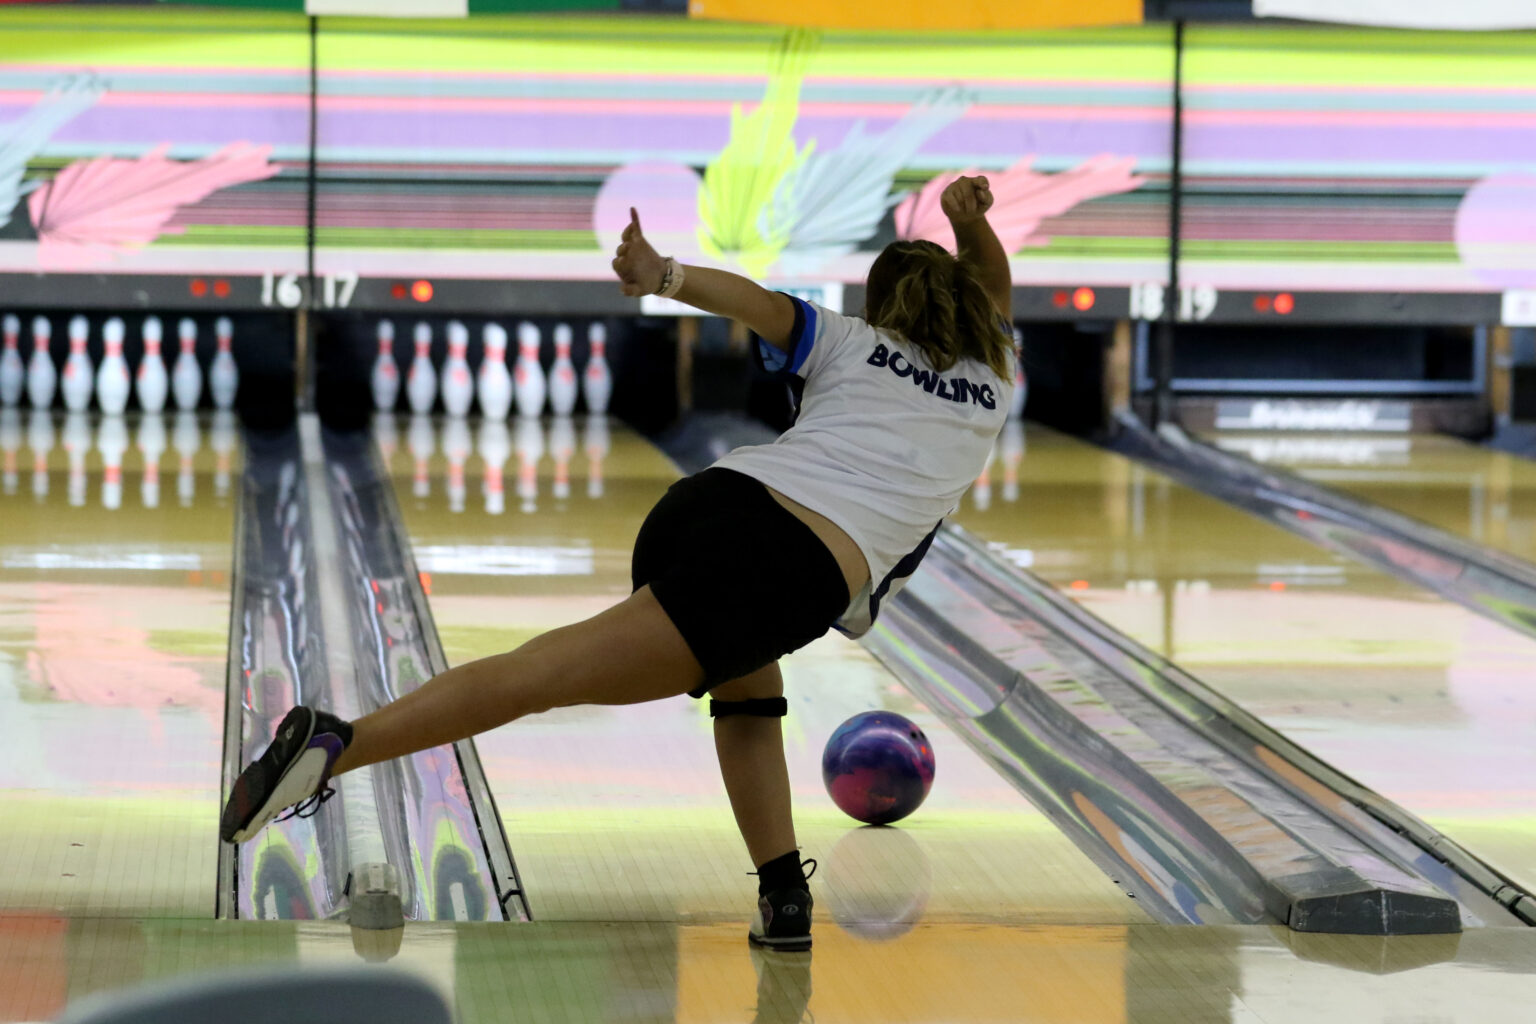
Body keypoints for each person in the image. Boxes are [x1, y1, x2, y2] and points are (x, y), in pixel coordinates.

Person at [220, 175, 1016, 952]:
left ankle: (783, 895)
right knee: (538, 676)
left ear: (882, 307)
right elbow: (992, 286)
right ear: (975, 311)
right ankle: (339, 742)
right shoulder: (992, 382)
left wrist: (662, 273)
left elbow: (751, 301)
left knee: (748, 689)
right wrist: (971, 223)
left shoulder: (849, 341)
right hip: (780, 572)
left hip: (715, 502)